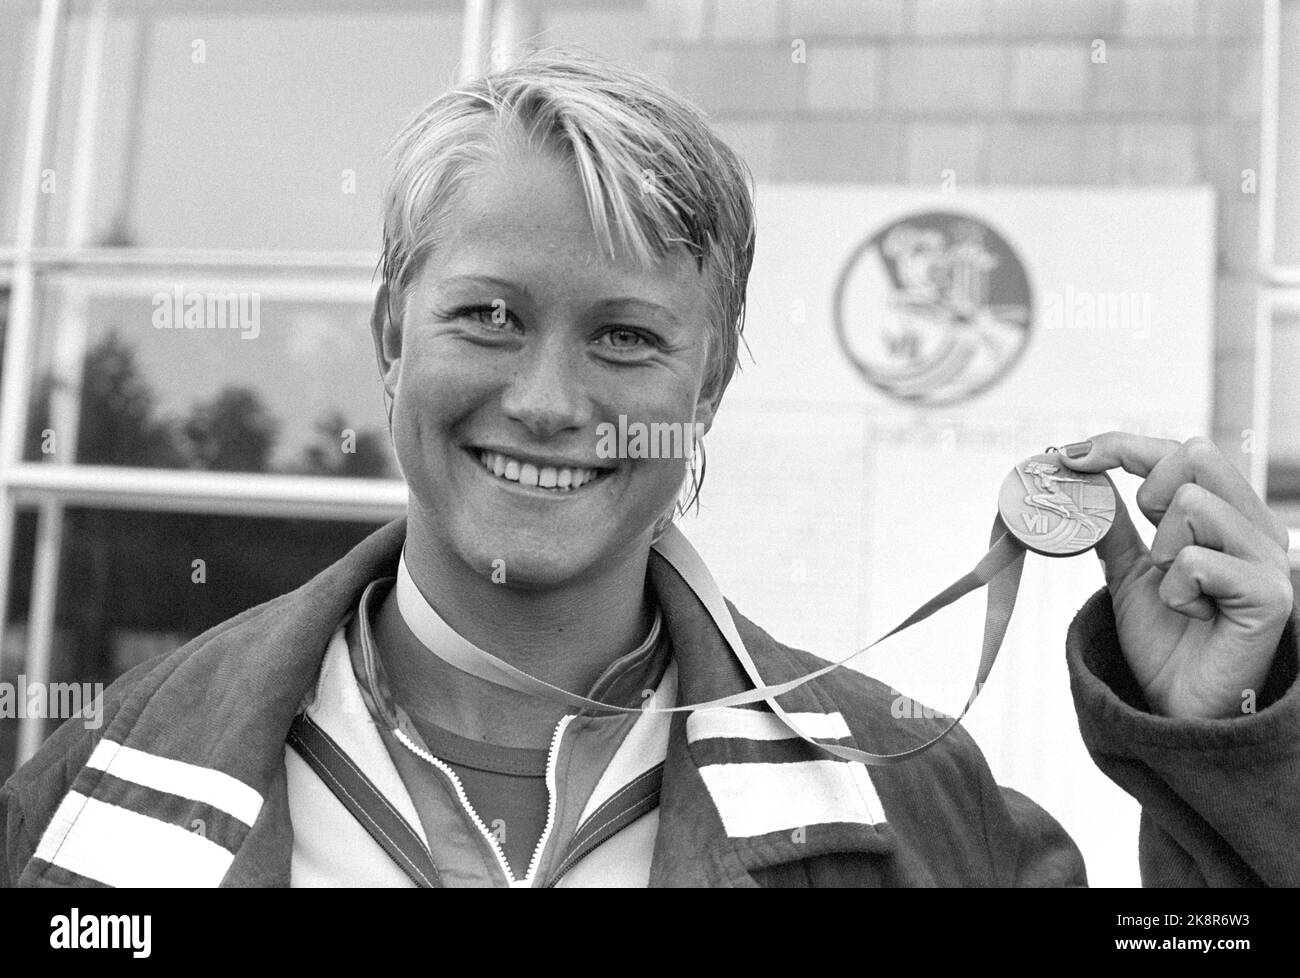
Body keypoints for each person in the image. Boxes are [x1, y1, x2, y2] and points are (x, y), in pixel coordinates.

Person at [2, 49, 1296, 888]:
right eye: (488, 316)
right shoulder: (87, 793)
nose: (551, 401)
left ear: (712, 383)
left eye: (626, 337)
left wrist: (1213, 746)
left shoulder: (920, 805)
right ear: (391, 337)